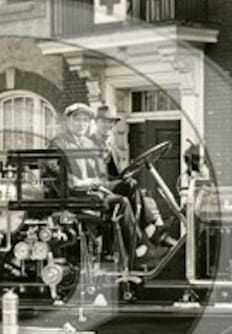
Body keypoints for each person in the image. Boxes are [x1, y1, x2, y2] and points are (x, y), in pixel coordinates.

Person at [50, 103, 156, 265]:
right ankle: (139, 249)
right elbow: (50, 166)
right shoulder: (59, 142)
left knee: (129, 185)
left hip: (92, 188)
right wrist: (78, 181)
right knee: (121, 202)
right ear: (68, 121)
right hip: (75, 193)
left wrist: (101, 182)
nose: (81, 124)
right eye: (77, 120)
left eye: (85, 121)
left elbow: (100, 171)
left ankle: (149, 230)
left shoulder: (88, 143)